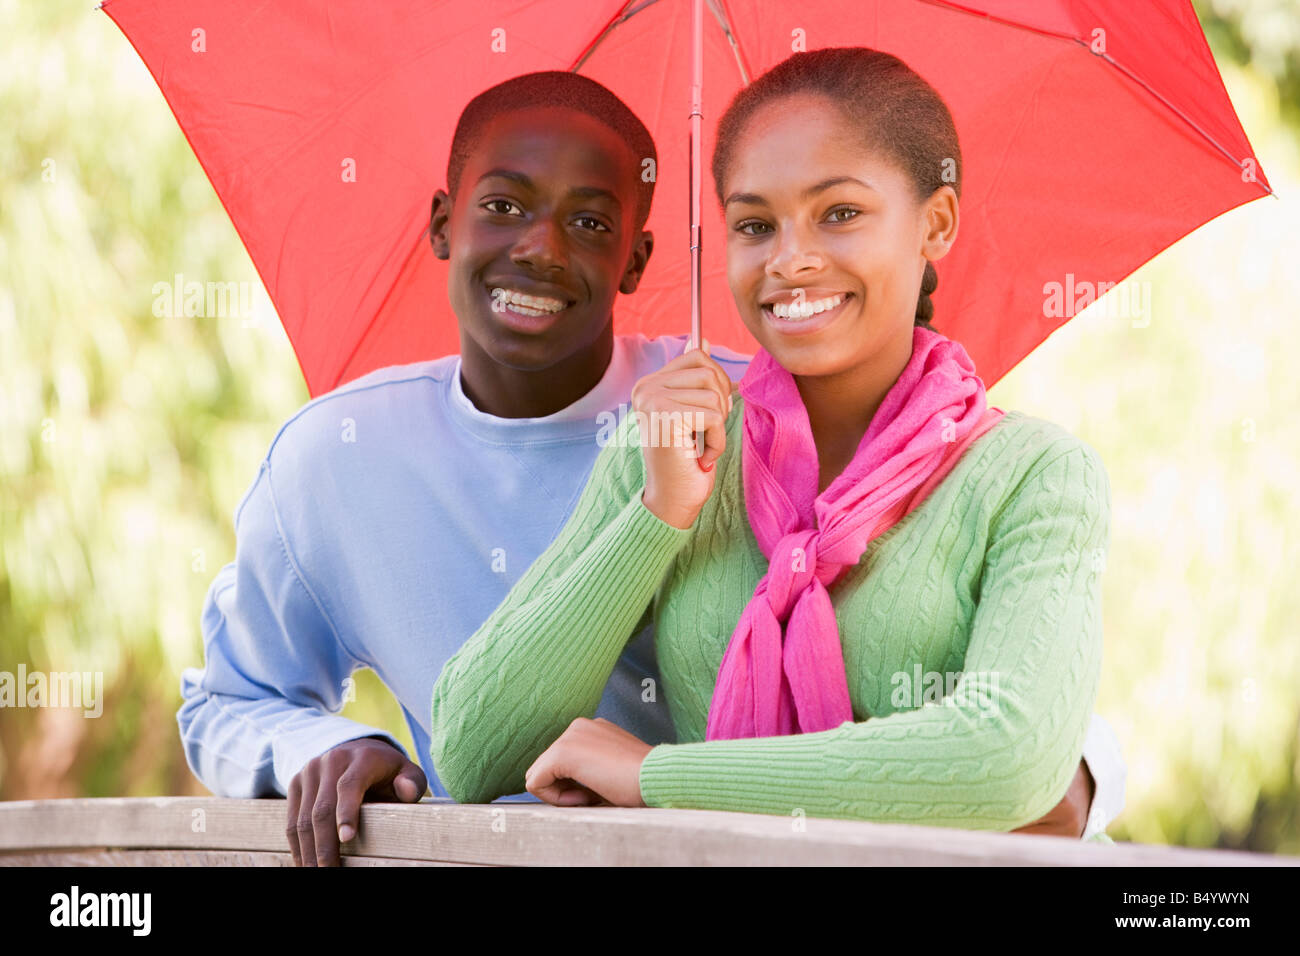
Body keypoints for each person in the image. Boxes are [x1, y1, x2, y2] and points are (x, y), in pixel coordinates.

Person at [430, 48, 1124, 840]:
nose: (790, 260)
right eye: (756, 225)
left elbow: (1010, 759)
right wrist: (659, 514)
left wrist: (656, 778)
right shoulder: (672, 447)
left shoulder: (1033, 476)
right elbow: (473, 745)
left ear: (936, 222)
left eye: (839, 213)